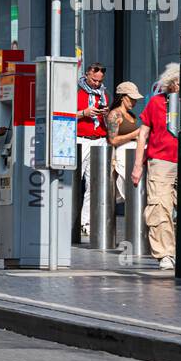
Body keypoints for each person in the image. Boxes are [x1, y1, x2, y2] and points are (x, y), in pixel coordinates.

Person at [131, 63, 180, 270]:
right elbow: (143, 133)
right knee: (160, 207)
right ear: (173, 83)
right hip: (161, 162)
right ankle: (165, 254)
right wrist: (137, 165)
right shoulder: (156, 103)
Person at [76, 62, 110, 237]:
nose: (97, 84)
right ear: (87, 75)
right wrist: (84, 113)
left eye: (99, 81)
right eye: (94, 80)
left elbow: (108, 121)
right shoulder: (77, 92)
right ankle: (72, 221)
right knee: (75, 181)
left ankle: (86, 222)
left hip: (99, 139)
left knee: (94, 184)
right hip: (81, 140)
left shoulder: (103, 95)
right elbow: (64, 115)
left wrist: (107, 114)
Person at [105, 81, 143, 201]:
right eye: (131, 98)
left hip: (134, 156)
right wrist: (134, 134)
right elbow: (112, 140)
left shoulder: (132, 115)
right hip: (123, 156)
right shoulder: (115, 114)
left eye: (135, 99)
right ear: (123, 97)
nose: (134, 102)